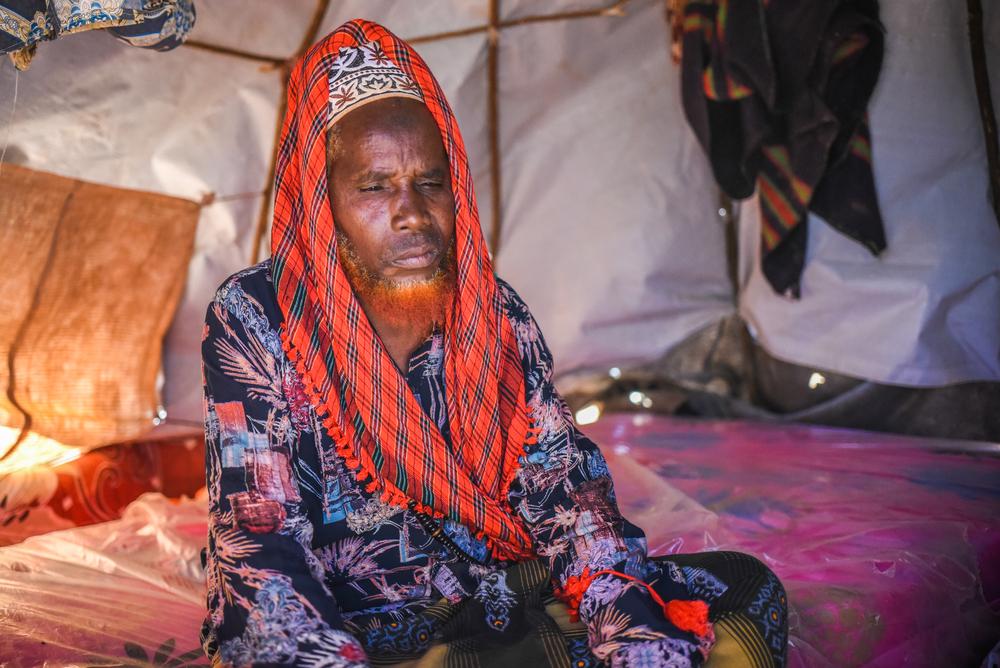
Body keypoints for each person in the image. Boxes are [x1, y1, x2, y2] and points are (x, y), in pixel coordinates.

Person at [200, 19, 788, 668]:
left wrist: (622, 618)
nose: (412, 213)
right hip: (352, 620)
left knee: (745, 586)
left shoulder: (490, 309)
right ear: (322, 199)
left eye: (431, 182)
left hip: (488, 595)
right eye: (374, 186)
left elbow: (563, 482)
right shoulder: (257, 315)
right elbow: (258, 532)